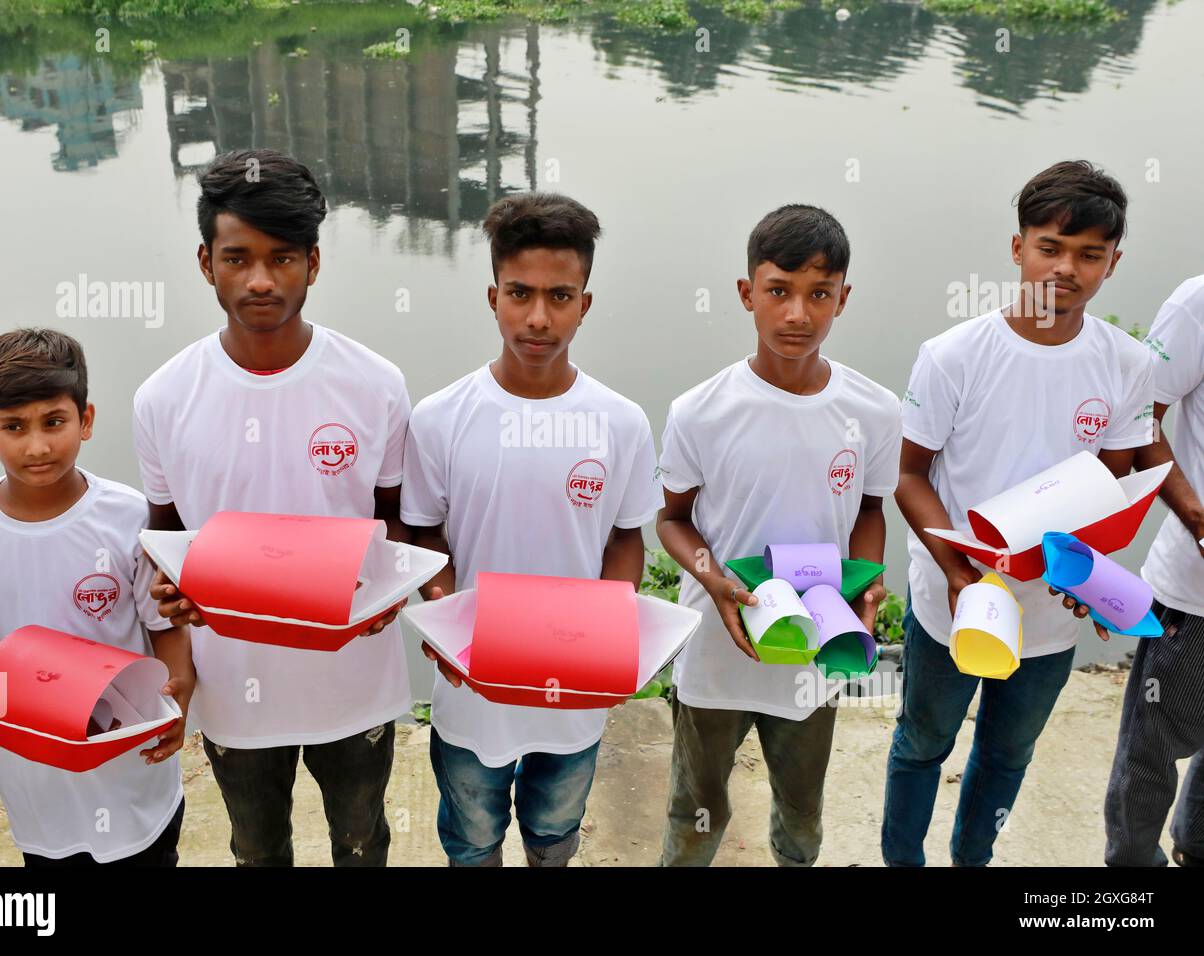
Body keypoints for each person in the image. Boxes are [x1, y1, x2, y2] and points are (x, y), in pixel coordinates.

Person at [136, 148, 409, 867]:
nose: (260, 280)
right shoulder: (165, 397)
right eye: (238, 258)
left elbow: (395, 520)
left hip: (354, 675)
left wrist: (393, 593)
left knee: (360, 843)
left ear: (314, 264)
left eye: (283, 258)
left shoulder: (375, 384)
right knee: (258, 850)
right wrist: (167, 588)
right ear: (206, 263)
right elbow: (165, 536)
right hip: (234, 685)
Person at [885, 160, 1155, 867]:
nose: (1066, 268)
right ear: (1018, 248)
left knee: (1007, 753)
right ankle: (901, 860)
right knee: (923, 742)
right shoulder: (954, 357)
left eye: (1089, 254)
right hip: (955, 599)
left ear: (1112, 263)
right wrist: (955, 572)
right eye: (1050, 247)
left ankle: (972, 858)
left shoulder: (1127, 365)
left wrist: (1093, 579)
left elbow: (1112, 488)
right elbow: (910, 475)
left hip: (1049, 611)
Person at [402, 192, 662, 866]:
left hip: (573, 699)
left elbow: (626, 537)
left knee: (554, 832)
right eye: (520, 293)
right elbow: (424, 534)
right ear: (493, 298)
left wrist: (612, 626)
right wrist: (446, 617)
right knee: (471, 837)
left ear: (586, 303)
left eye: (560, 296)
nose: (538, 318)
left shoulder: (620, 422)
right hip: (471, 695)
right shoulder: (440, 418)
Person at [656, 204, 900, 866]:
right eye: (779, 292)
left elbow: (872, 509)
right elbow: (672, 519)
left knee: (802, 813)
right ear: (747, 294)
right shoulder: (702, 411)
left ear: (842, 299)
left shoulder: (873, 411)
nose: (797, 314)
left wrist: (869, 580)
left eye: (819, 294)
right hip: (715, 649)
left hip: (813, 653)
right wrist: (713, 578)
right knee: (697, 811)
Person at [0, 329, 192, 866]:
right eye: (13, 427)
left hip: (131, 772)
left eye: (54, 422)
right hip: (32, 782)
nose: (37, 446)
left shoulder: (131, 518)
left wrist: (177, 704)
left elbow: (167, 631)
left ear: (86, 419)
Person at [1104, 274, 1204, 867]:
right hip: (1196, 593)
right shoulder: (1199, 302)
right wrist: (1197, 519)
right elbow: (1141, 416)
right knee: (1151, 752)